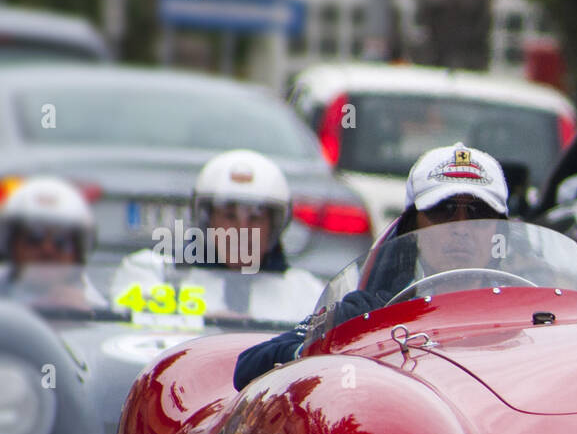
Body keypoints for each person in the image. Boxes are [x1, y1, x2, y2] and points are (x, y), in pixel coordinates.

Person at [232, 142, 510, 390]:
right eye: (443, 211)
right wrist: (317, 353)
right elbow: (250, 366)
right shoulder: (370, 311)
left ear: (501, 231)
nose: (461, 228)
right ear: (412, 228)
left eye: (479, 214)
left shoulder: (533, 317)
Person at [110, 149, 322, 323]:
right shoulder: (155, 274)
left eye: (256, 220)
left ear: (274, 228)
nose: (241, 231)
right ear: (207, 222)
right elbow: (122, 325)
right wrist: (199, 324)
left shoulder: (307, 294)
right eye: (229, 217)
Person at [0, 176, 106, 309]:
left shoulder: (91, 304)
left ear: (77, 254)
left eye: (61, 242)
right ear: (12, 246)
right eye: (34, 238)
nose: (47, 249)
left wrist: (80, 317)